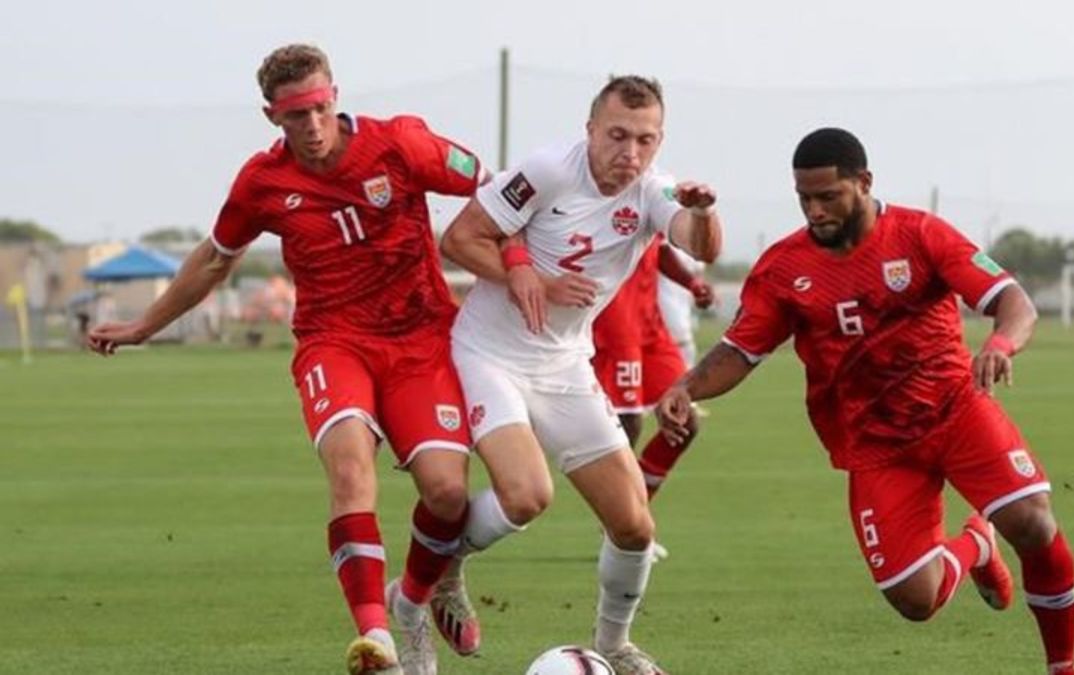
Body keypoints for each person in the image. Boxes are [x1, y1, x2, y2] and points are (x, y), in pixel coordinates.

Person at [86, 44, 485, 675]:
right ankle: (376, 638)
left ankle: (413, 600)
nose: (314, 125)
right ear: (272, 115)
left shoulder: (401, 145)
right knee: (351, 470)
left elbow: (500, 194)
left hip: (421, 342)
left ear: (336, 96)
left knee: (446, 493)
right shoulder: (262, 182)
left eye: (322, 107)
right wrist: (144, 325)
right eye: (297, 115)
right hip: (334, 341)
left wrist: (518, 270)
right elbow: (216, 259)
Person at [656, 128, 1074, 675]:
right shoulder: (784, 268)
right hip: (874, 444)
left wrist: (1000, 343)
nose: (815, 211)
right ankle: (976, 543)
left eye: (828, 196)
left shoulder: (920, 234)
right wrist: (684, 387)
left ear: (864, 183)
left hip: (956, 410)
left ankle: (1063, 667)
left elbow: (1012, 301)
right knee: (916, 600)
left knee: (1034, 523)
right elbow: (741, 350)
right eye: (804, 199)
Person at [438, 75, 722, 674]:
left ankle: (615, 646)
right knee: (525, 495)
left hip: (565, 364)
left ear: (660, 139)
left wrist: (705, 212)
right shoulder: (546, 171)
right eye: (618, 135)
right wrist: (534, 280)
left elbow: (701, 245)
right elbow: (459, 239)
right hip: (489, 352)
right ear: (590, 129)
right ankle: (440, 565)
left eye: (646, 140)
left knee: (634, 524)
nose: (631, 153)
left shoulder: (652, 191)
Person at [591, 234, 713, 561]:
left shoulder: (650, 186)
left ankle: (628, 520)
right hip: (616, 322)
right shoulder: (603, 185)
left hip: (650, 324)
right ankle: (621, 530)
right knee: (625, 427)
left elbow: (658, 249)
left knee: (684, 419)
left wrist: (692, 281)